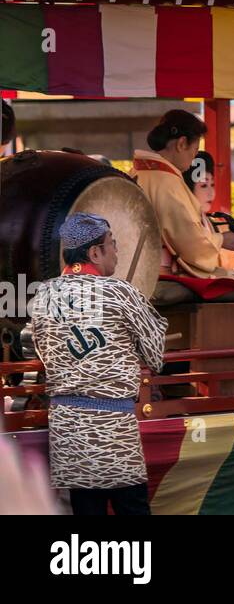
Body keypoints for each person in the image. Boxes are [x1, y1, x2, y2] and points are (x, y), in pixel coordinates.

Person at [28, 213, 167, 516]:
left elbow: (40, 350)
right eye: (112, 245)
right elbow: (156, 355)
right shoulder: (121, 292)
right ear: (94, 252)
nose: (117, 252)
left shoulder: (43, 295)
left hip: (66, 425)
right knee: (132, 509)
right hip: (113, 427)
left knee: (85, 510)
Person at [133, 109, 234, 280]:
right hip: (163, 275)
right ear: (181, 144)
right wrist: (221, 240)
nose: (193, 158)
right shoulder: (165, 181)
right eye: (194, 151)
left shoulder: (139, 172)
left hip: (141, 270)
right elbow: (188, 241)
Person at [183, 150, 234, 273]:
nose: (211, 192)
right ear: (186, 188)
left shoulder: (221, 226)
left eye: (212, 185)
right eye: (203, 186)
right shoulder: (182, 228)